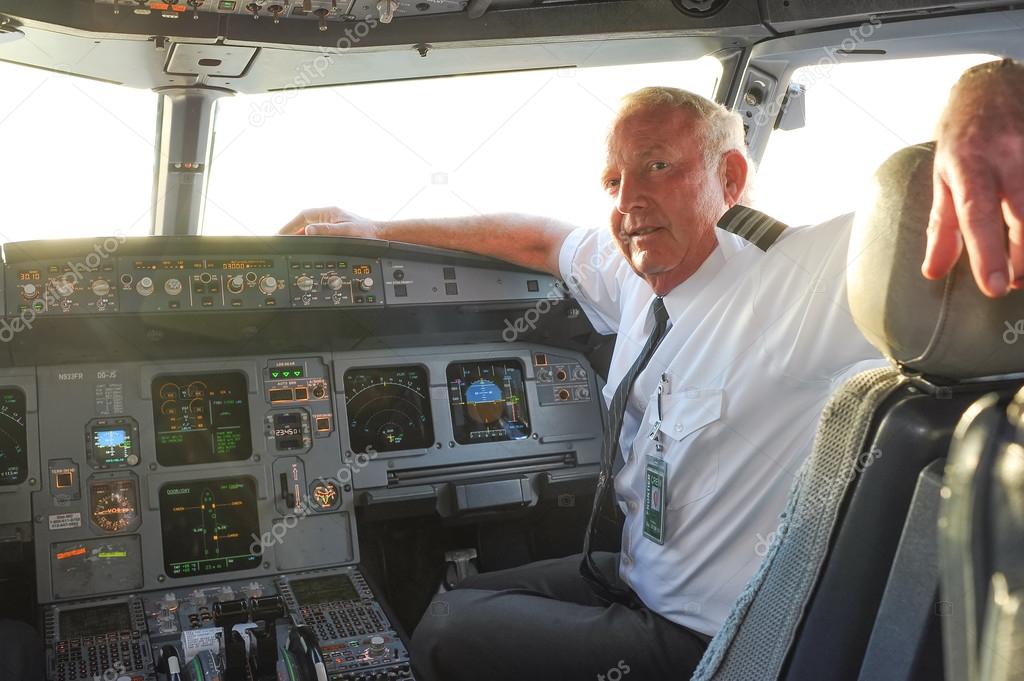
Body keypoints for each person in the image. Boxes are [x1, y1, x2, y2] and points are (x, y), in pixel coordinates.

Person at [281, 59, 1024, 680]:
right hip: (630, 580)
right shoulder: (641, 270)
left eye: (658, 167)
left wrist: (985, 97)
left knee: (448, 625)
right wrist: (373, 228)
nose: (629, 200)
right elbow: (542, 240)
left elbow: (924, 214)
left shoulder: (801, 277)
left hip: (707, 638)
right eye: (614, 180)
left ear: (729, 178)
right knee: (463, 591)